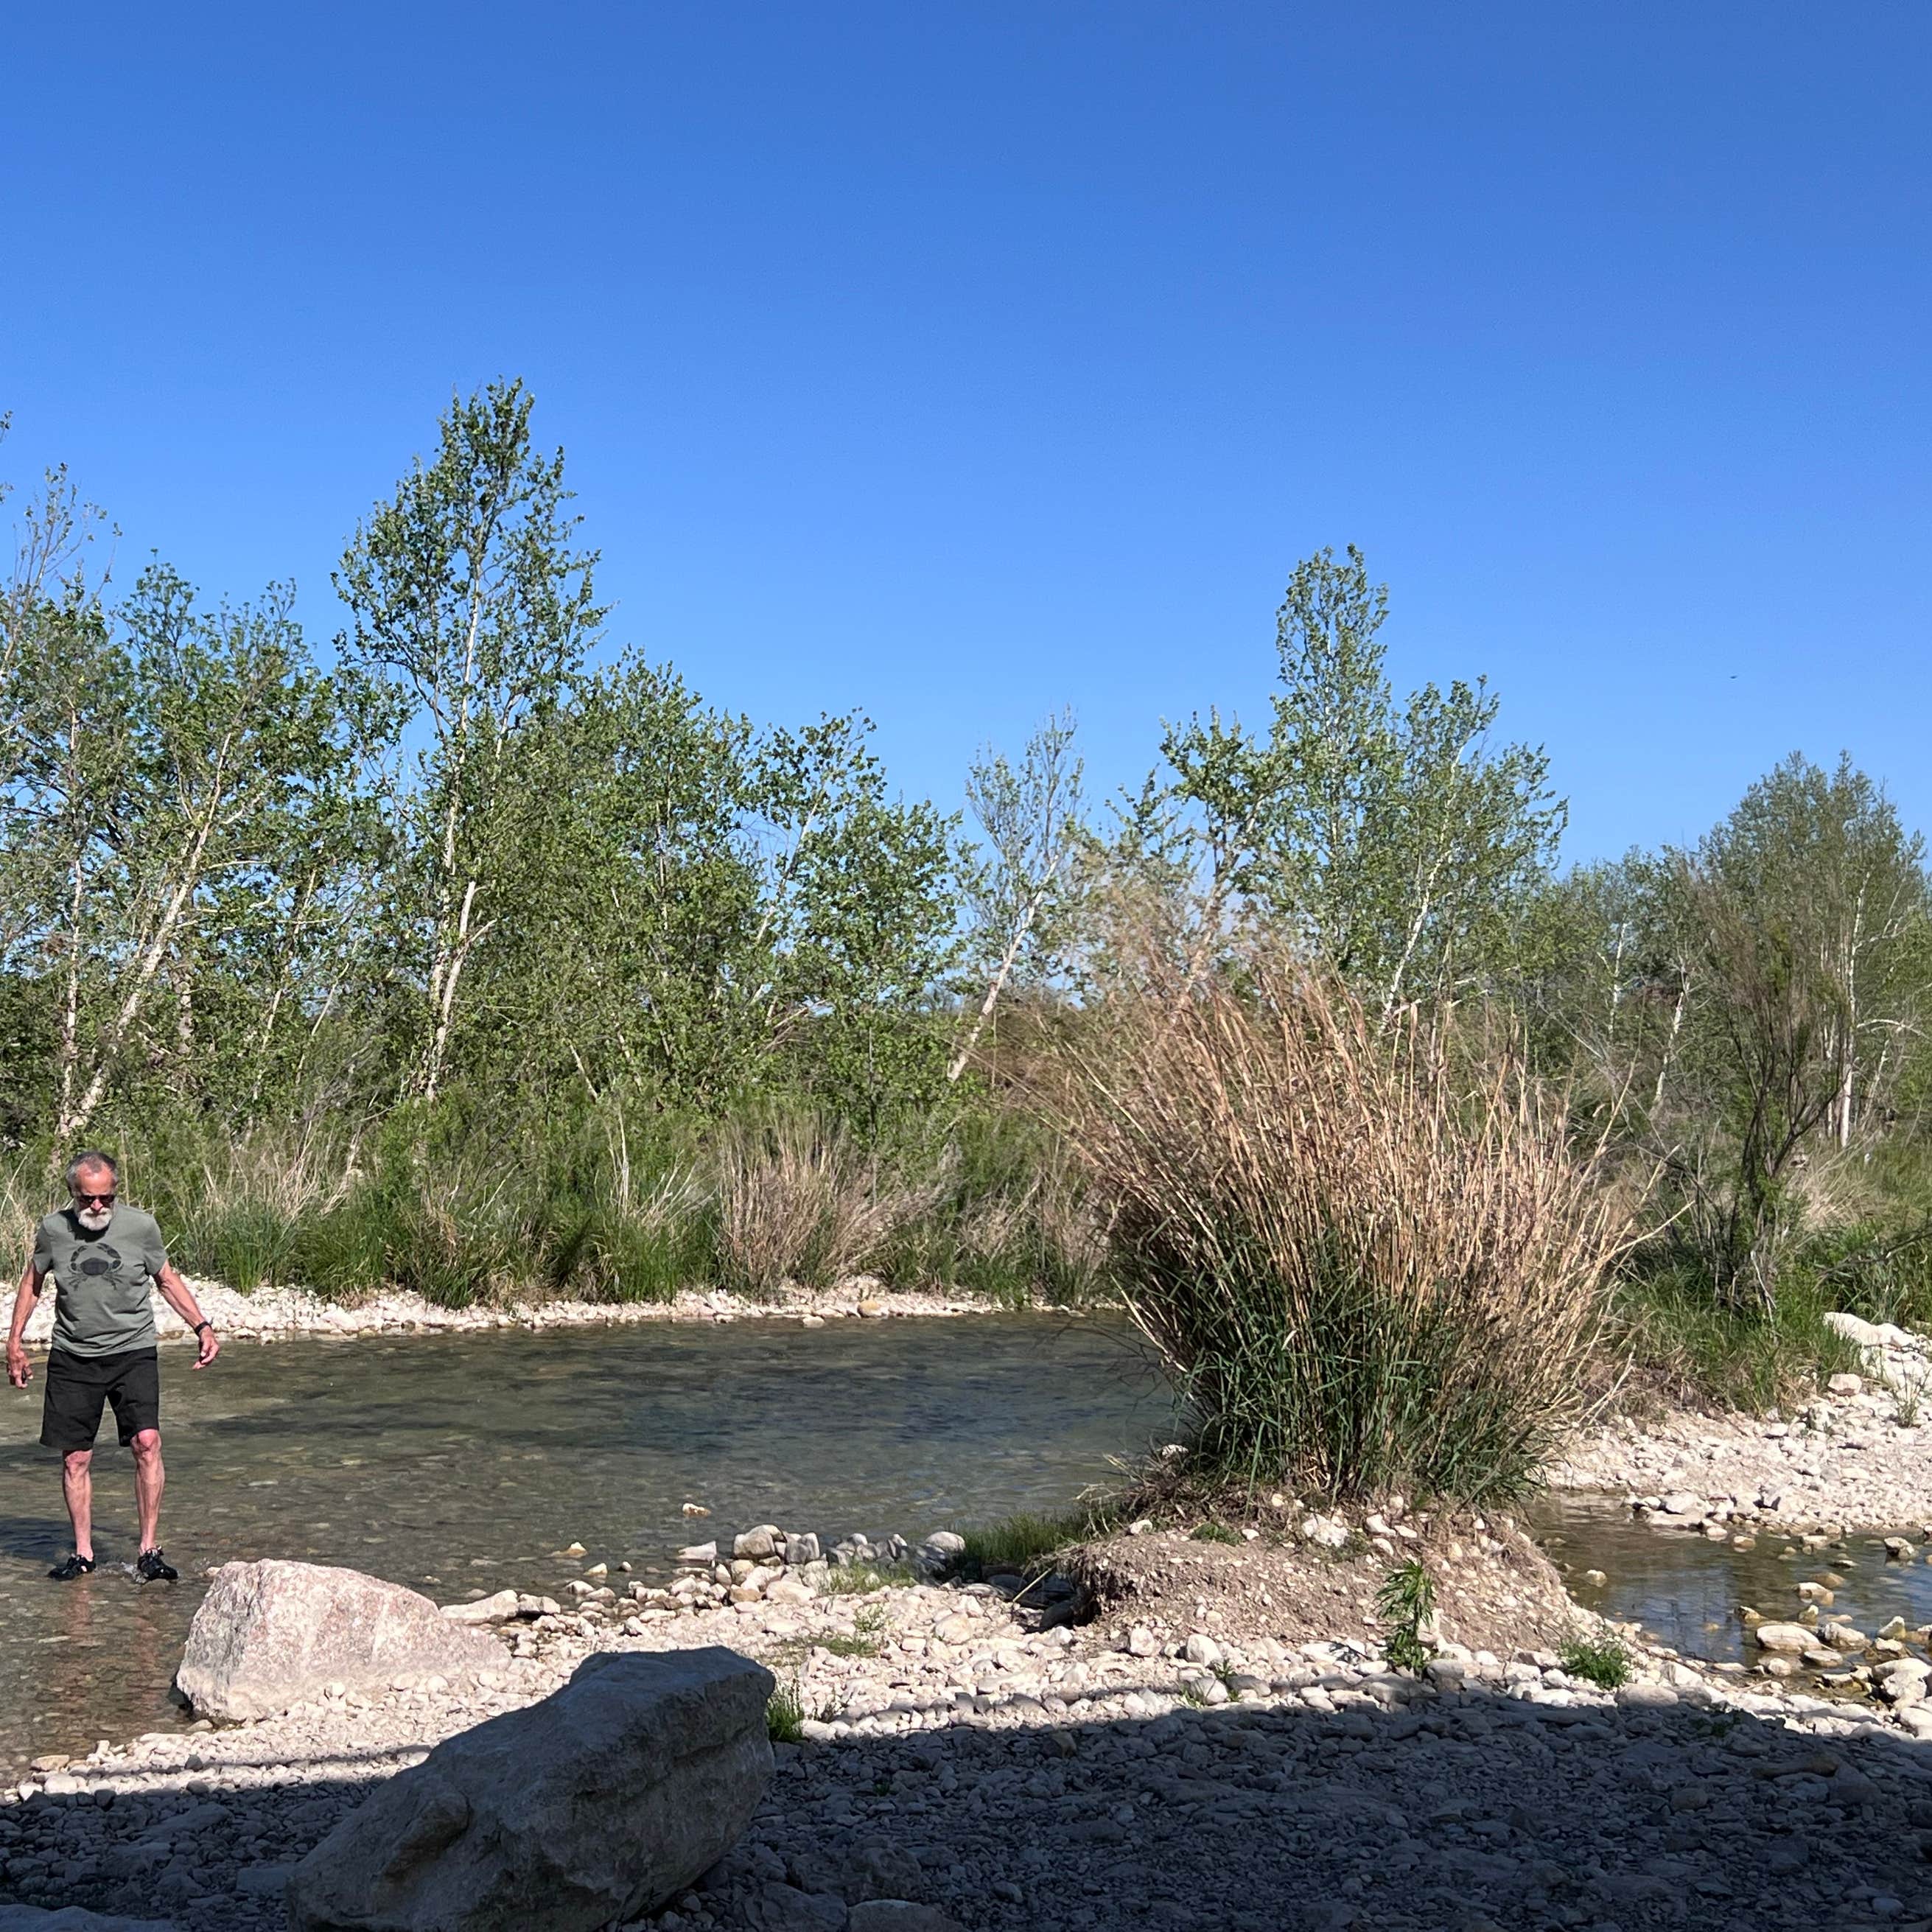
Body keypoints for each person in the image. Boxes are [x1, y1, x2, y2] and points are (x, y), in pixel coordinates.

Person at [4, 1149, 220, 1582]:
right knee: (75, 1458)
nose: (98, 1206)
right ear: (73, 1193)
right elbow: (32, 1283)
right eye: (88, 1199)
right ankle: (83, 1554)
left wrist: (202, 1326)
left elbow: (166, 1279)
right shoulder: (53, 1230)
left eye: (106, 1197)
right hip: (73, 1355)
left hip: (133, 1350)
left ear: (116, 1191)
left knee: (147, 1442)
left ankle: (148, 1551)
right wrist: (13, 1343)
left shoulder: (141, 1226)